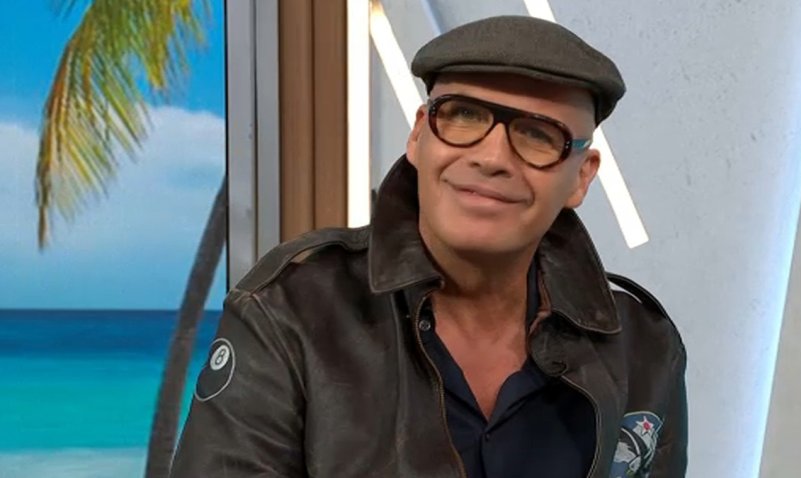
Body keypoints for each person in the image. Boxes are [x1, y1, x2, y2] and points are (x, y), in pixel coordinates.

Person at [170, 15, 687, 478]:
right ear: (420, 136)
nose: (492, 158)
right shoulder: (291, 310)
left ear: (582, 176)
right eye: (463, 116)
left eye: (538, 134)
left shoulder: (643, 346)